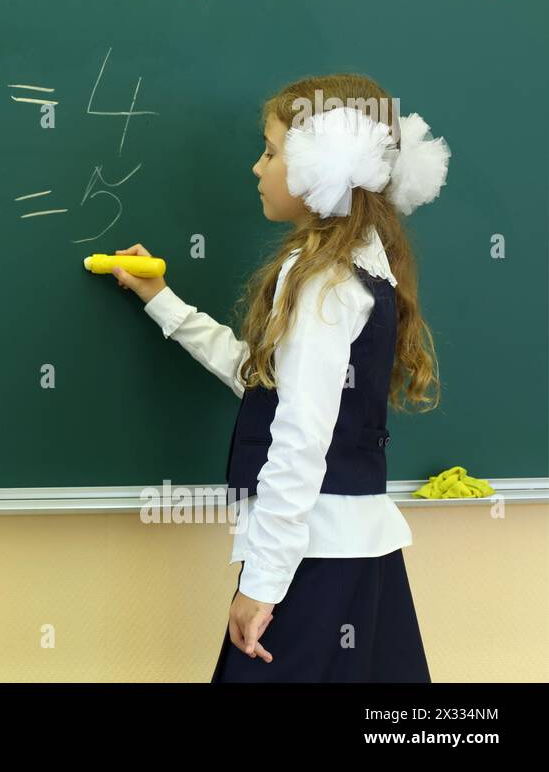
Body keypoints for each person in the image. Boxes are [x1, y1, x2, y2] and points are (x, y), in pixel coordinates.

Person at [111, 73, 450, 681]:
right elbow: (265, 381)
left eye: (270, 152)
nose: (256, 167)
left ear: (321, 164)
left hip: (310, 562)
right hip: (354, 550)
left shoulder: (321, 280)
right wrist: (162, 300)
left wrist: (263, 585)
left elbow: (299, 439)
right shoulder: (360, 265)